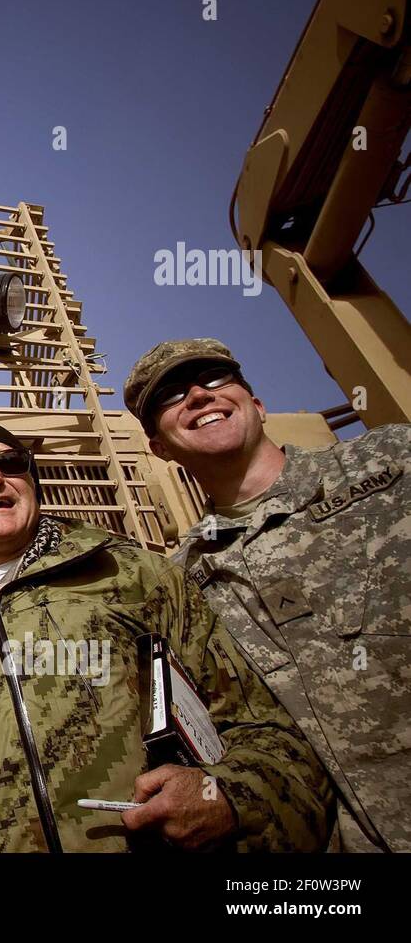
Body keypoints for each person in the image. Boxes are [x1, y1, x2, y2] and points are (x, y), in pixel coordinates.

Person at [0, 419, 333, 852]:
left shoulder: (138, 576)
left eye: (12, 463)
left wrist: (227, 797)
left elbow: (263, 728)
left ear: (34, 489)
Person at [126, 337, 411, 853]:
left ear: (256, 405)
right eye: (170, 395)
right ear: (158, 448)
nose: (197, 395)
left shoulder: (392, 465)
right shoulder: (182, 581)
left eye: (214, 378)